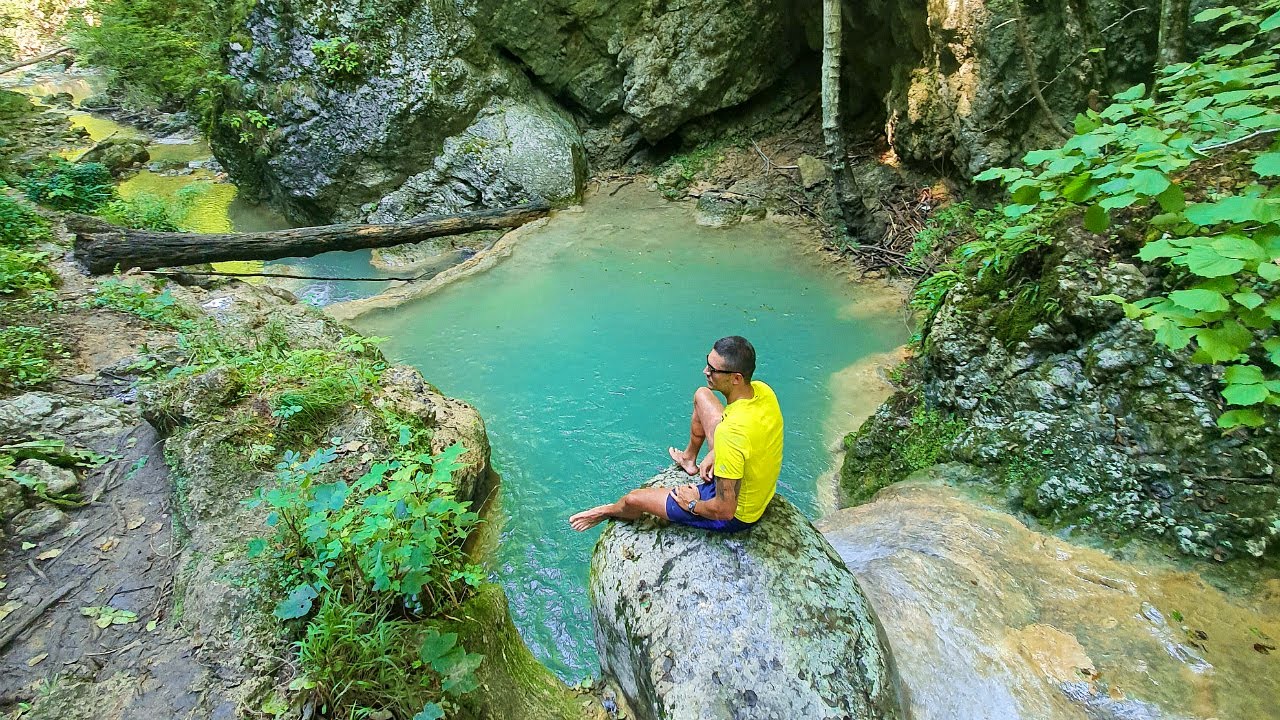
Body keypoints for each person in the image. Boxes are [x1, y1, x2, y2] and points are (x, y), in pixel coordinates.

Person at [568, 336, 784, 533]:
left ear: (736, 378)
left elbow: (725, 509)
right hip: (756, 484)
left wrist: (692, 503)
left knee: (633, 499)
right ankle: (689, 459)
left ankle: (609, 510)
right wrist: (717, 453)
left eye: (713, 369)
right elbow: (747, 438)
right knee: (702, 395)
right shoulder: (762, 391)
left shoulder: (731, 433)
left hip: (737, 515)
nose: (705, 371)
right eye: (707, 363)